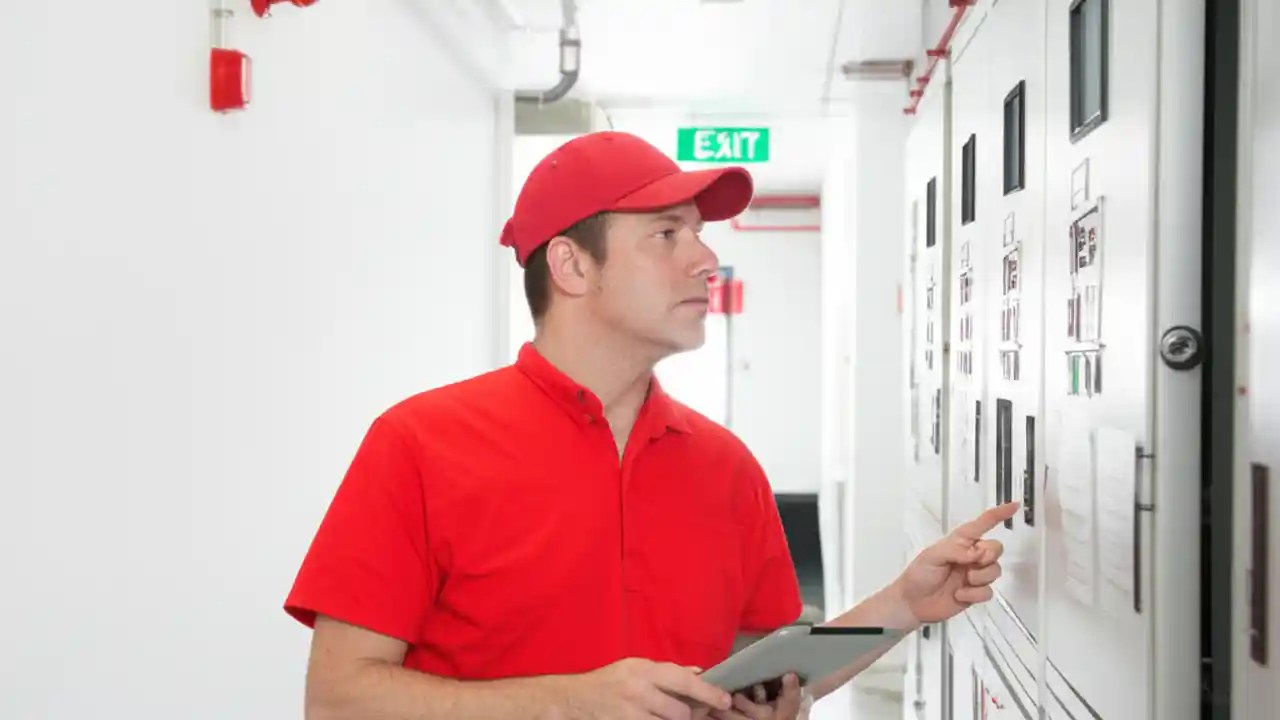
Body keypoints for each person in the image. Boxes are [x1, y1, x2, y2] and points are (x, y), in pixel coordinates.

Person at [283, 130, 1018, 720]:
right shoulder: (419, 444)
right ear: (572, 266)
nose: (706, 259)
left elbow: (759, 671)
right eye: (667, 235)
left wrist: (899, 607)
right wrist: (569, 701)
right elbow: (340, 698)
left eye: (697, 233)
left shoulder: (724, 465)